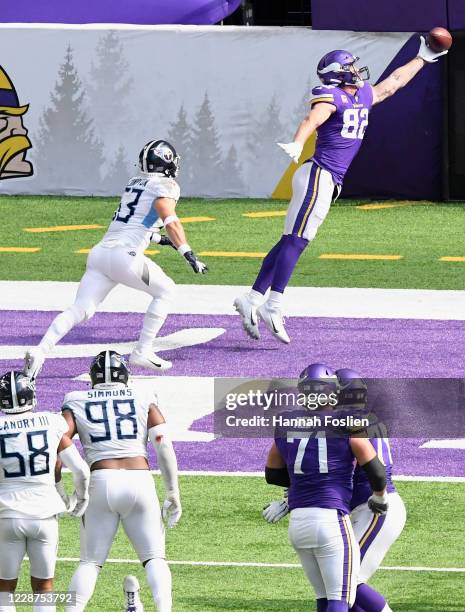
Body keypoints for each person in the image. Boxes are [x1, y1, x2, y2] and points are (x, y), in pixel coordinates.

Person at [235, 37, 448, 344]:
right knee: (297, 241)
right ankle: (273, 304)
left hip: (327, 179)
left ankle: (252, 299)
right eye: (349, 65)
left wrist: (422, 58)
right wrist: (298, 141)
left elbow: (394, 83)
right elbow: (313, 119)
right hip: (318, 174)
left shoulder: (361, 94)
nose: (355, 69)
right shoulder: (330, 95)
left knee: (290, 241)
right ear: (337, 73)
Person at [24, 140, 208, 378]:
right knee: (166, 291)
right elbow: (170, 219)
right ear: (165, 161)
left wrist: (162, 241)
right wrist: (187, 252)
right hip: (124, 257)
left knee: (80, 309)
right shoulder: (166, 185)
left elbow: (136, 223)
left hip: (100, 254)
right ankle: (142, 351)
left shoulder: (135, 183)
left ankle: (40, 351)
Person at [61, 350, 181, 612]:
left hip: (100, 482)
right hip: (139, 481)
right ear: (126, 376)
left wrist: (60, 484)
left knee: (89, 563)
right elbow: (163, 445)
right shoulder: (143, 395)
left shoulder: (76, 399)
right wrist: (172, 491)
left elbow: (59, 441)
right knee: (155, 559)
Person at [263, 363, 388, 611]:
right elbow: (376, 470)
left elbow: (272, 474)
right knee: (341, 599)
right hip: (330, 519)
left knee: (323, 598)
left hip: (298, 523)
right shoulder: (347, 422)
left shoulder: (286, 422)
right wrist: (380, 496)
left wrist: (305, 481)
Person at [0, 371, 89, 612]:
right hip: (44, 514)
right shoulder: (51, 422)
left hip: (6, 515)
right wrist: (80, 498)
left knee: (4, 589)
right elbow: (80, 470)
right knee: (44, 586)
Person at [336, 368, 406, 612]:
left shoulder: (350, 423)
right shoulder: (365, 419)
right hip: (371, 504)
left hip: (375, 506)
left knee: (347, 581)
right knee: (342, 586)